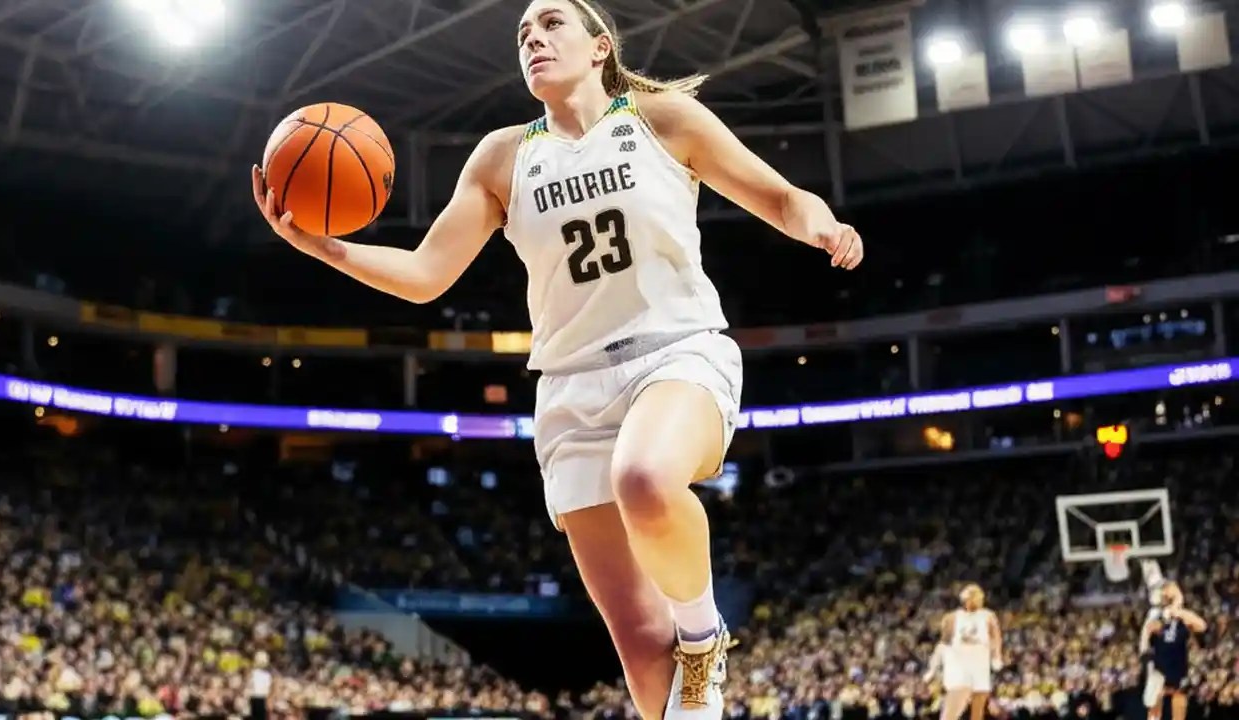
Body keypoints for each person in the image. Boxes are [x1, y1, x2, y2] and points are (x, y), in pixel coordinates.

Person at [250, 0, 864, 717]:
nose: (532, 38)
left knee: (644, 479)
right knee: (636, 637)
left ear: (600, 45)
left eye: (550, 23)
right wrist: (320, 246)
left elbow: (783, 199)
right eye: (522, 33)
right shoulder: (503, 156)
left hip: (676, 353)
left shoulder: (662, 118)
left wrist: (824, 225)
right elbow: (424, 276)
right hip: (570, 388)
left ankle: (702, 633)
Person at [932, 584, 1002, 720]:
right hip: (961, 666)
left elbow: (996, 637)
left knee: (978, 706)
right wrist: (936, 665)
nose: (978, 601)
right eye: (974, 597)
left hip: (980, 664)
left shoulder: (988, 616)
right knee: (955, 703)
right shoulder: (953, 617)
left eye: (979, 597)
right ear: (965, 600)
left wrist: (996, 657)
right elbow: (944, 642)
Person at [1143, 581, 1207, 720]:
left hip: (1178, 664)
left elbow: (1202, 626)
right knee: (1155, 703)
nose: (1169, 594)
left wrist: (1178, 612)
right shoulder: (1157, 614)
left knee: (1179, 700)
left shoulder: (1183, 616)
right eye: (1167, 591)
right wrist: (1162, 619)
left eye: (1173, 591)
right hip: (1160, 665)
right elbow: (1150, 630)